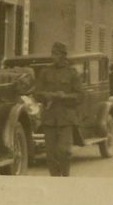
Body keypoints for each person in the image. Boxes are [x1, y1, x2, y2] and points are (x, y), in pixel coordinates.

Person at [35, 42, 83, 177]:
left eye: (56, 54)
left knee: (64, 151)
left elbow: (80, 96)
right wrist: (47, 96)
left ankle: (65, 176)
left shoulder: (72, 73)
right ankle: (55, 180)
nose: (53, 56)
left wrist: (64, 96)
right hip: (49, 117)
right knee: (50, 154)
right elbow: (37, 93)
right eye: (52, 53)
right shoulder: (45, 72)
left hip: (66, 118)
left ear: (63, 55)